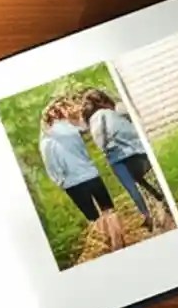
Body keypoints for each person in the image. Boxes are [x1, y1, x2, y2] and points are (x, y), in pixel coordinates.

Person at [40, 95, 124, 250]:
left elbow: (52, 165)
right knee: (108, 209)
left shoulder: (47, 141)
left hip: (72, 183)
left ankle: (109, 245)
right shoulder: (73, 130)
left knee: (93, 216)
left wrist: (60, 180)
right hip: (91, 174)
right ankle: (119, 239)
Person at [79, 88, 167, 232]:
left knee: (131, 188)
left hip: (113, 157)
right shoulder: (115, 111)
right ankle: (159, 197)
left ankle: (146, 214)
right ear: (103, 100)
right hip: (132, 150)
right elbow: (131, 128)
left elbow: (99, 141)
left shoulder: (91, 122)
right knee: (142, 175)